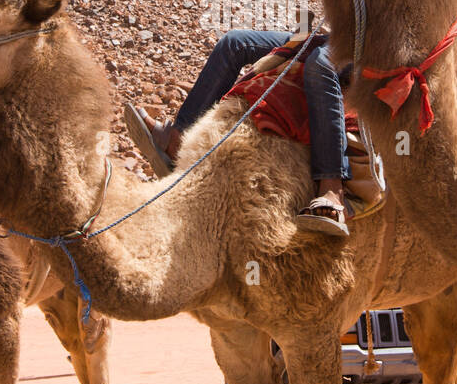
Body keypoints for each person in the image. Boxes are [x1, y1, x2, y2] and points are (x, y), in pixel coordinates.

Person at [126, 27, 352, 236]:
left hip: (369, 47)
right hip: (335, 36)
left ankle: (331, 186)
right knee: (234, 43)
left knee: (321, 63)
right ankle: (177, 140)